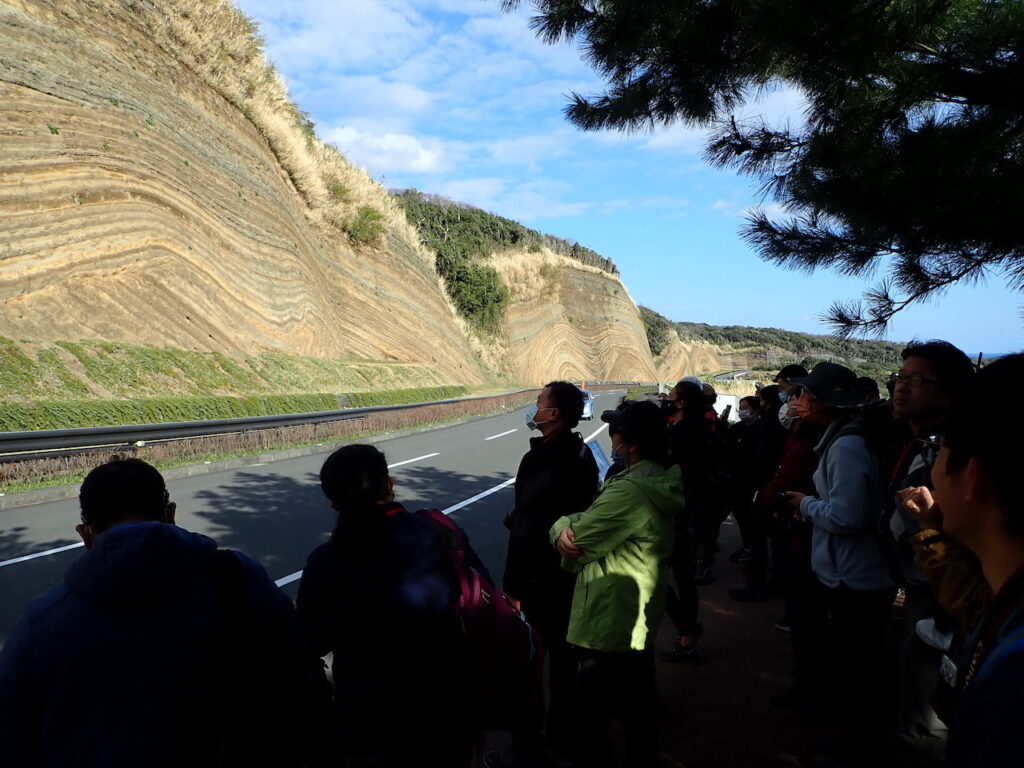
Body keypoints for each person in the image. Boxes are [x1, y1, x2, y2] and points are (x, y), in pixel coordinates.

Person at [0, 457, 329, 768]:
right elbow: (296, 656)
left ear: (85, 534)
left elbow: (14, 732)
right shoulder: (236, 576)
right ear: (170, 513)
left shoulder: (43, 620)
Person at [296, 444, 475, 767]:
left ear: (334, 503)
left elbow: (311, 640)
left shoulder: (326, 561)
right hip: (441, 700)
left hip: (366, 715)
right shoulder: (430, 533)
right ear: (389, 486)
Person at [550, 400, 683, 768]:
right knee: (638, 707)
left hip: (608, 619)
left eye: (616, 434)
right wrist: (578, 522)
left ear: (633, 443)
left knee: (592, 715)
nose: (612, 440)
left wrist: (560, 526)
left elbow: (579, 540)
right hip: (637, 612)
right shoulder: (655, 478)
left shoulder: (628, 491)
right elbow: (595, 517)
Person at [911, 354, 1024, 768]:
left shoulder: (1012, 684)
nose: (934, 468)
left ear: (972, 477)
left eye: (940, 450)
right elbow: (978, 608)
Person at [785, 362, 895, 739]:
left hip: (854, 576)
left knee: (855, 667)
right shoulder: (843, 437)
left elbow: (849, 516)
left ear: (826, 403)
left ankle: (850, 742)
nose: (797, 401)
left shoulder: (846, 446)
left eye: (805, 395)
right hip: (852, 571)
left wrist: (805, 504)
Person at [499, 382, 599, 765]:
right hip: (569, 569)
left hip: (541, 576)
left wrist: (513, 584)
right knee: (564, 657)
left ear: (553, 414)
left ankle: (530, 746)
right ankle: (563, 736)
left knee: (531, 661)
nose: (535, 407)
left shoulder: (541, 458)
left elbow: (528, 526)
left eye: (540, 402)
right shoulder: (582, 450)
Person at [886, 340, 975, 766]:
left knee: (929, 714)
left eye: (917, 381)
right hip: (924, 587)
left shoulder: (956, 453)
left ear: (951, 393)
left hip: (947, 600)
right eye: (900, 378)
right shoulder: (923, 443)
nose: (901, 388)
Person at [660, 378, 724, 660]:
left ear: (681, 403)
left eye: (671, 396)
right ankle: (688, 634)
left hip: (682, 514)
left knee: (662, 576)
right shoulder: (706, 430)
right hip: (700, 511)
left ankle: (687, 631)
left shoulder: (681, 435)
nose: (667, 399)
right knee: (685, 577)